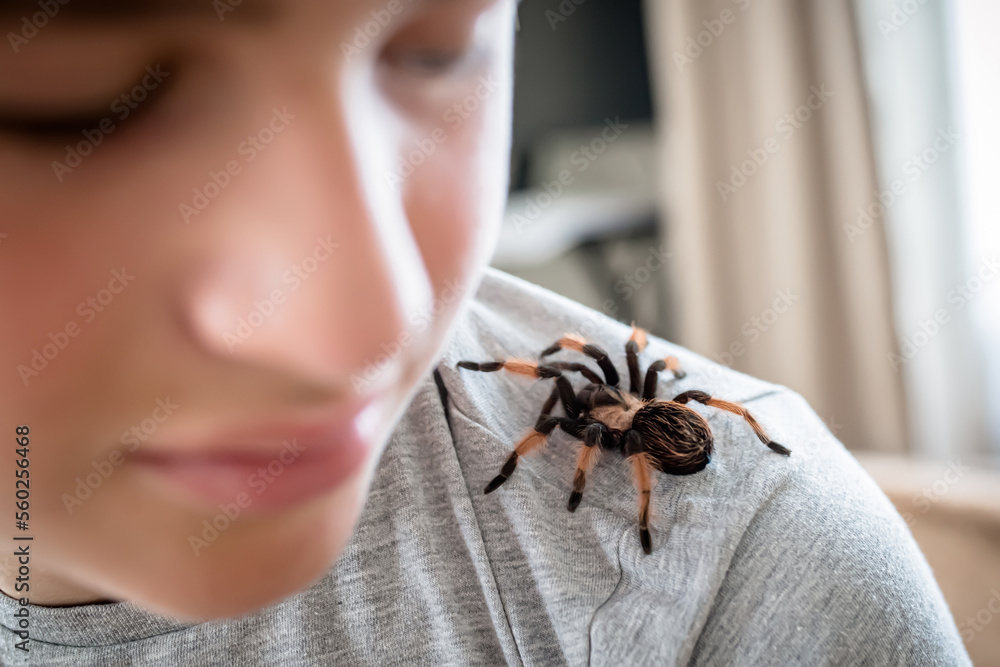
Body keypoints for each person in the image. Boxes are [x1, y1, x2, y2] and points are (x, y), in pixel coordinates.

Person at [0, 0, 971, 664]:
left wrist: (644, 496)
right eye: (80, 95)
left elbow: (625, 432)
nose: (376, 322)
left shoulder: (732, 574)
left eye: (441, 42)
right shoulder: (593, 395)